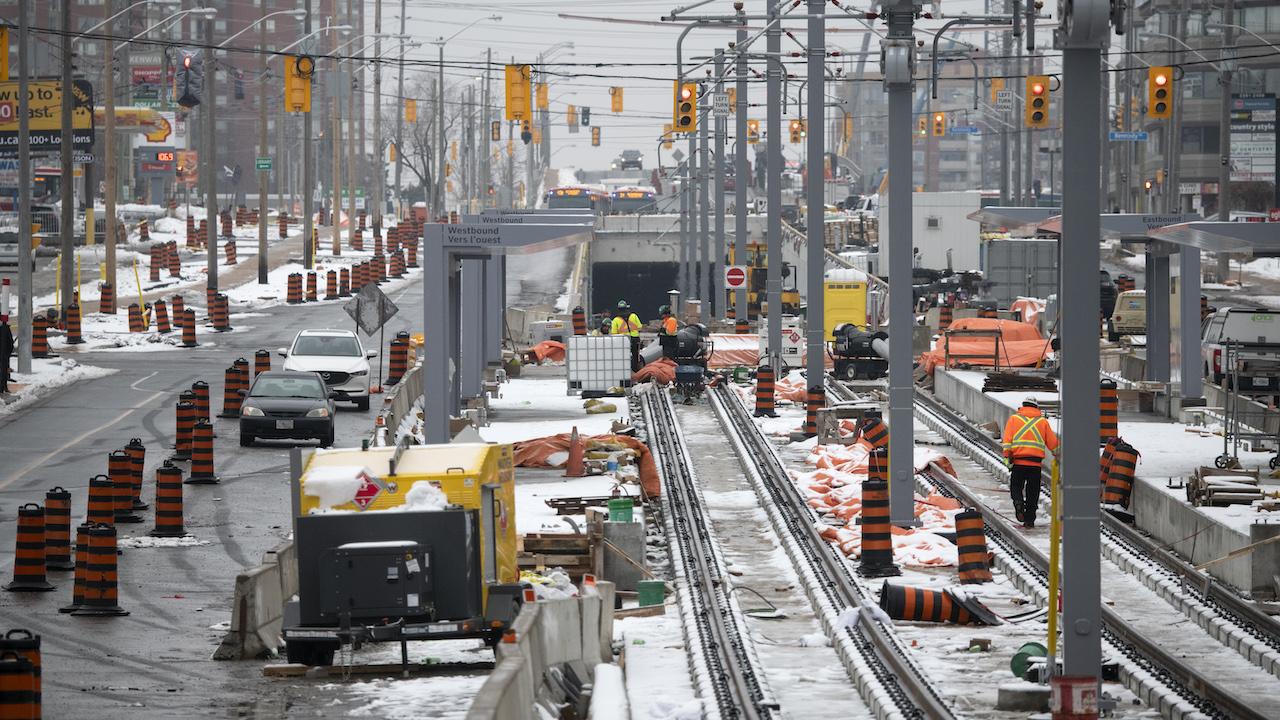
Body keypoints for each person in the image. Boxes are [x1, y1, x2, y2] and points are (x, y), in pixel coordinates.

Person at [1001, 397, 1059, 528]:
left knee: (1016, 486)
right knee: (1033, 492)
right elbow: (1053, 444)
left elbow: (1007, 440)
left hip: (1018, 462)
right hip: (1035, 464)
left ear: (1023, 406)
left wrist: (1007, 456)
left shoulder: (1014, 419)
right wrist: (1058, 455)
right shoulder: (1043, 422)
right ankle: (1029, 519)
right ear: (1036, 407)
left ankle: (1018, 502)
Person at [610, 300, 643, 371]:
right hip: (635, 339)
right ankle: (637, 371)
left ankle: (625, 371)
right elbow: (640, 327)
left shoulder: (616, 320)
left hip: (623, 341)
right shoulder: (633, 316)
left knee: (624, 357)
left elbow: (613, 333)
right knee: (636, 357)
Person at [0, 314, 14, 395]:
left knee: (4, 370)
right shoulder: (5, 328)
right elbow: (10, 342)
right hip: (4, 353)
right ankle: (3, 386)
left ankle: (3, 386)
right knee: (4, 370)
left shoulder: (5, 328)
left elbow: (10, 342)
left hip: (4, 353)